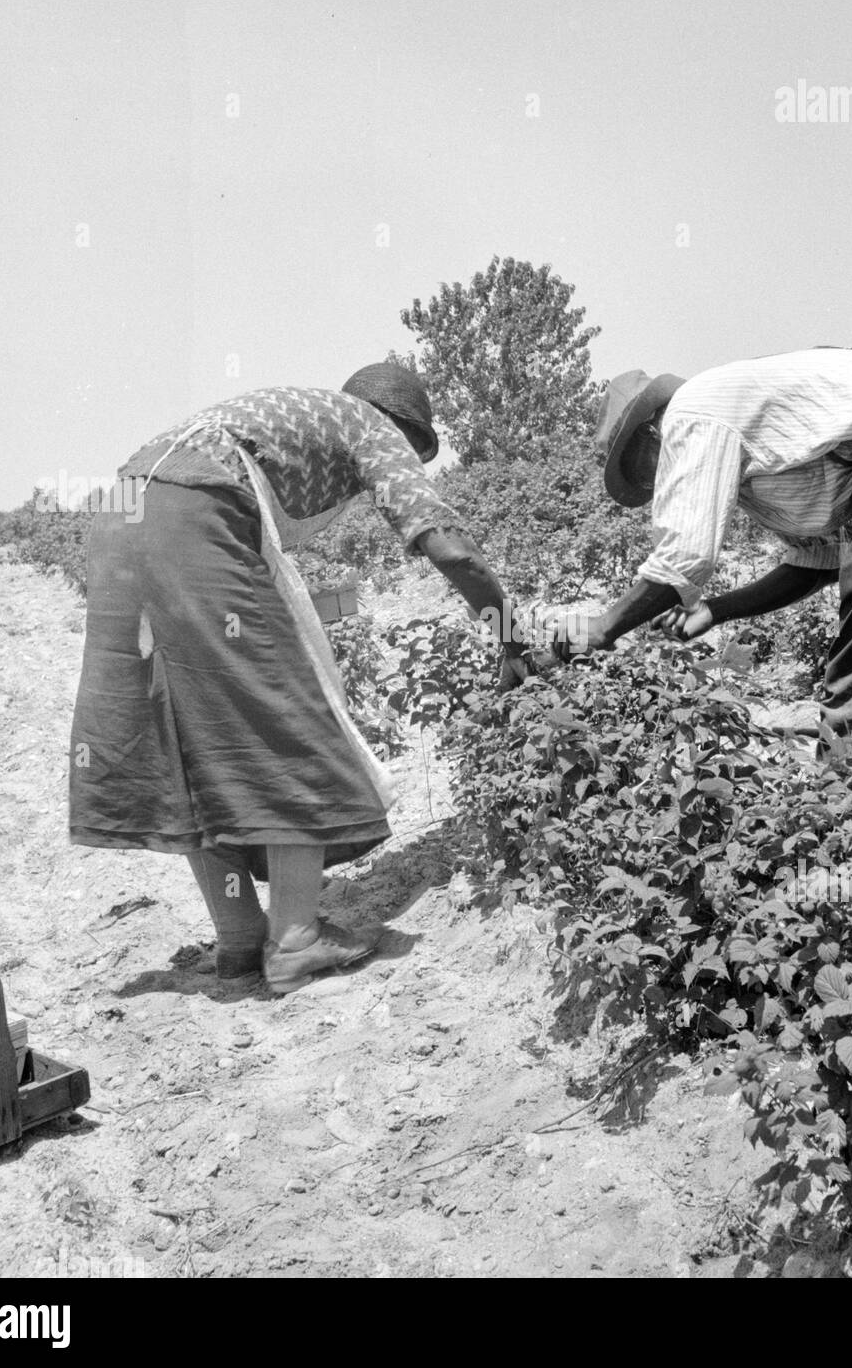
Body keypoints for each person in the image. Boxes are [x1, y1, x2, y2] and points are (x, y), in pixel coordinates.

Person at [69, 363, 537, 993]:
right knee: (290, 719)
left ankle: (240, 935)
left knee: (189, 730)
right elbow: (449, 545)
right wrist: (512, 637)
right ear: (402, 424)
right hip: (196, 513)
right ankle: (294, 940)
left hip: (121, 515)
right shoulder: (371, 426)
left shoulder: (298, 418)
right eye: (414, 448)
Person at [553, 348, 852, 765]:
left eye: (646, 472)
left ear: (651, 433)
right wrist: (715, 610)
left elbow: (685, 555)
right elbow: (819, 562)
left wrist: (603, 626)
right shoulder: (749, 441)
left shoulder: (691, 412)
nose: (657, 484)